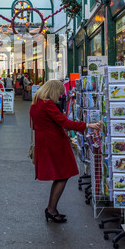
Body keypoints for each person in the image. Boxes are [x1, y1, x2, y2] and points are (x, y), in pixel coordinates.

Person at [30, 79, 102, 223]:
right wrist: (89, 125)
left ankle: (51, 209)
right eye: (60, 93)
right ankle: (51, 209)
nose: (60, 97)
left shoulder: (36, 103)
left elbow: (34, 126)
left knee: (60, 176)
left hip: (44, 143)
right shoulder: (47, 104)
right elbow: (65, 122)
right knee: (63, 175)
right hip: (54, 144)